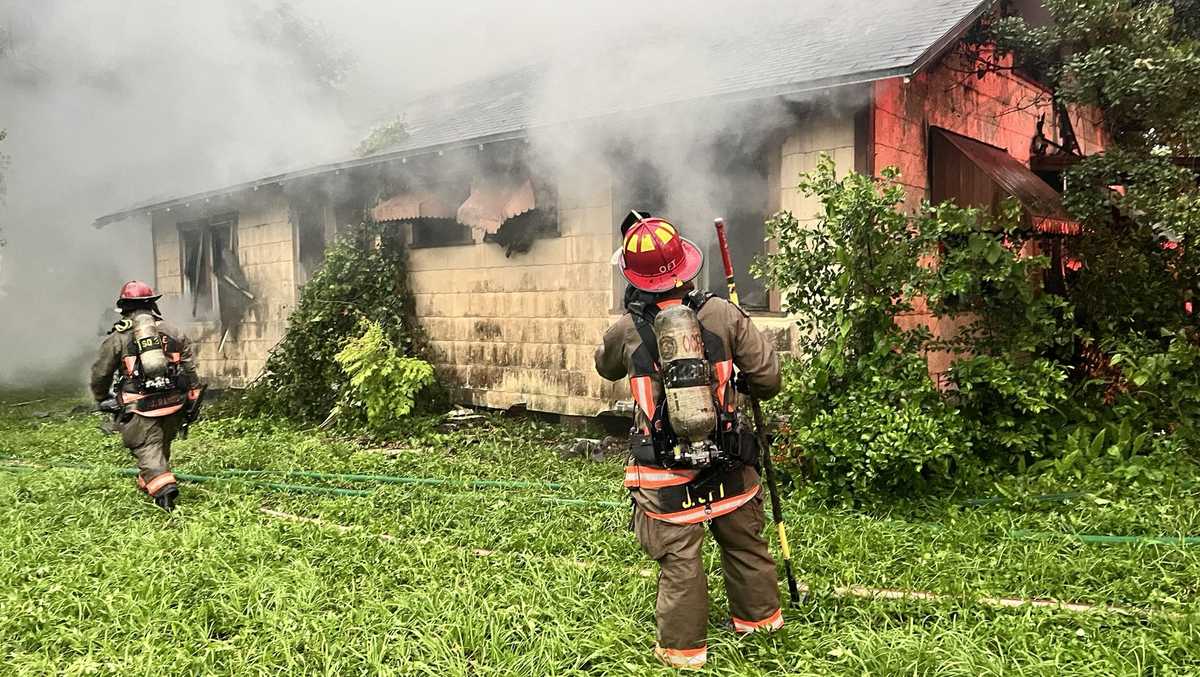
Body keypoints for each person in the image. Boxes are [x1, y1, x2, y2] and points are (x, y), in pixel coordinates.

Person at [595, 212, 784, 670]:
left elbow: (606, 367)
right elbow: (768, 379)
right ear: (686, 266)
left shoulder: (625, 331)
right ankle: (761, 628)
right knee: (745, 545)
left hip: (664, 478)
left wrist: (631, 317)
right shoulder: (724, 314)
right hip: (730, 466)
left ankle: (683, 653)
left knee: (680, 561)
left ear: (635, 277)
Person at [90, 281, 201, 511]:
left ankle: (164, 492)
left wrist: (101, 397)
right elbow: (190, 368)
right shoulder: (173, 331)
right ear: (152, 305)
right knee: (161, 442)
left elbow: (101, 372)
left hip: (140, 405)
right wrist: (192, 398)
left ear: (124, 307)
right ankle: (151, 478)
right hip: (174, 402)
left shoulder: (118, 338)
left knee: (146, 446)